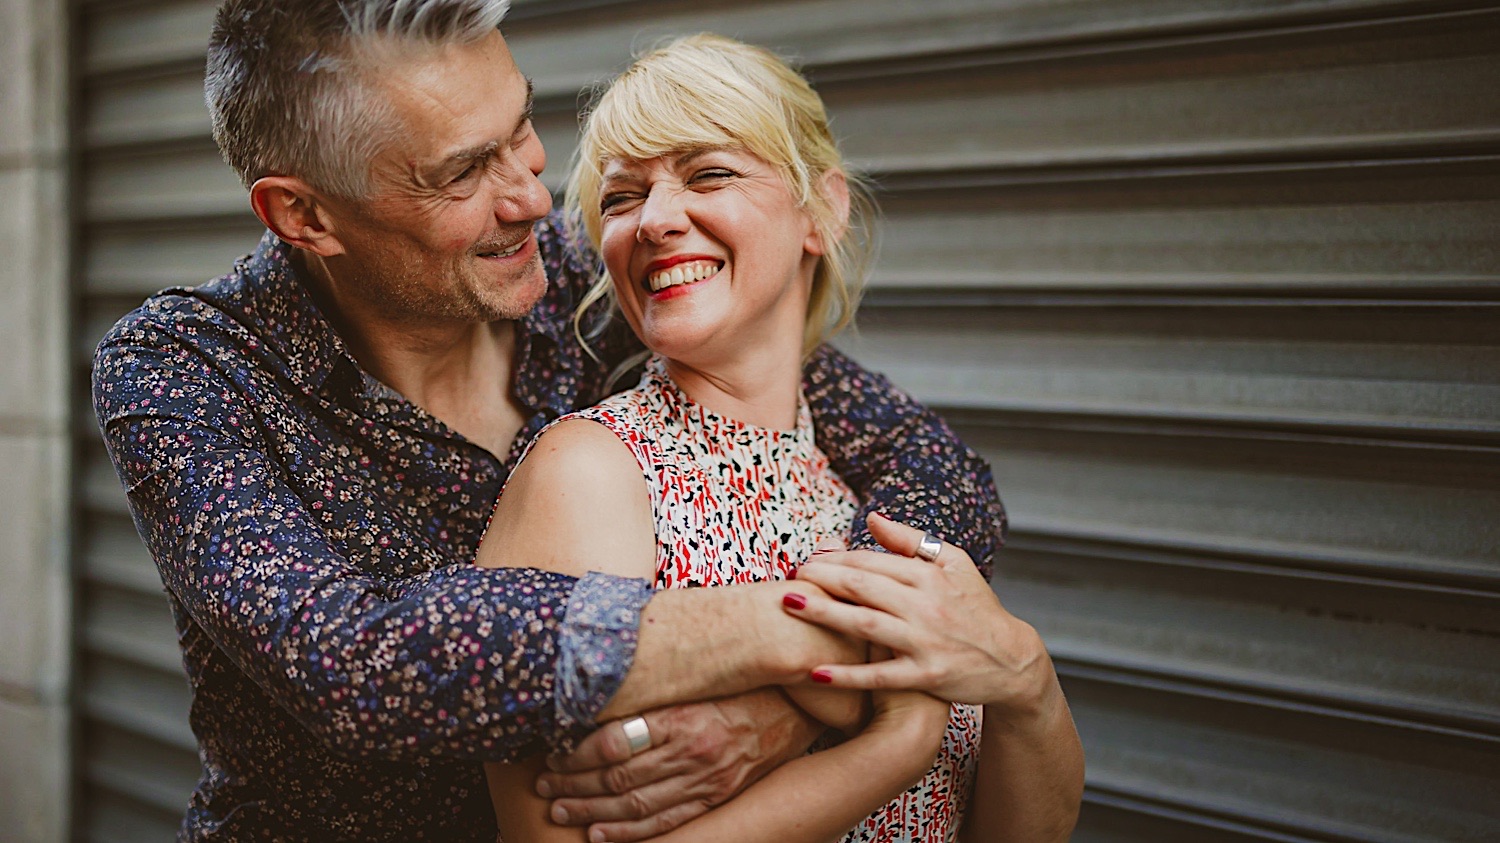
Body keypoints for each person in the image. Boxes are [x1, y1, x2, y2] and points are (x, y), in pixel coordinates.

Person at [89, 2, 1043, 841]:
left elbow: (928, 461)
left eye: (522, 127)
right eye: (465, 172)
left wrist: (795, 713)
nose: (537, 198)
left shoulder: (585, 277)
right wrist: (815, 644)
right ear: (303, 215)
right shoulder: (185, 367)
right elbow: (353, 664)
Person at [476, 34, 1081, 843]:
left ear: (821, 209)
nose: (655, 219)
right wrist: (896, 742)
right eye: (621, 198)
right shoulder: (589, 471)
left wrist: (1029, 681)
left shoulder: (881, 492)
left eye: (708, 174)